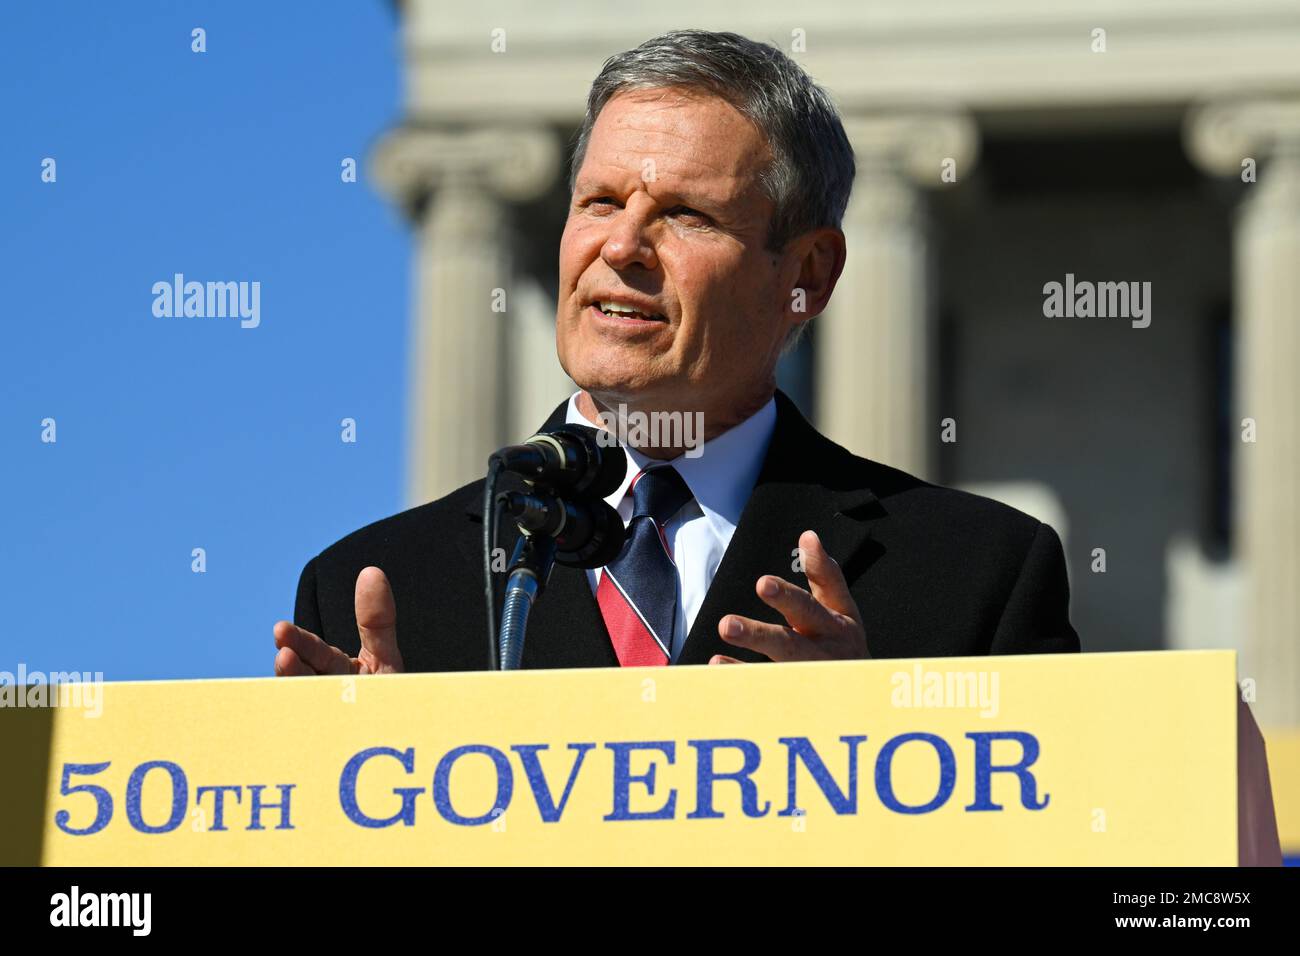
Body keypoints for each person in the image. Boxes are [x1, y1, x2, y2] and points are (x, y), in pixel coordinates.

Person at [273, 29, 1079, 677]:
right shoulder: (372, 588)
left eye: (687, 215)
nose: (621, 246)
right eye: (600, 201)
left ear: (805, 275)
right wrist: (355, 793)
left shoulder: (978, 575)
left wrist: (876, 752)